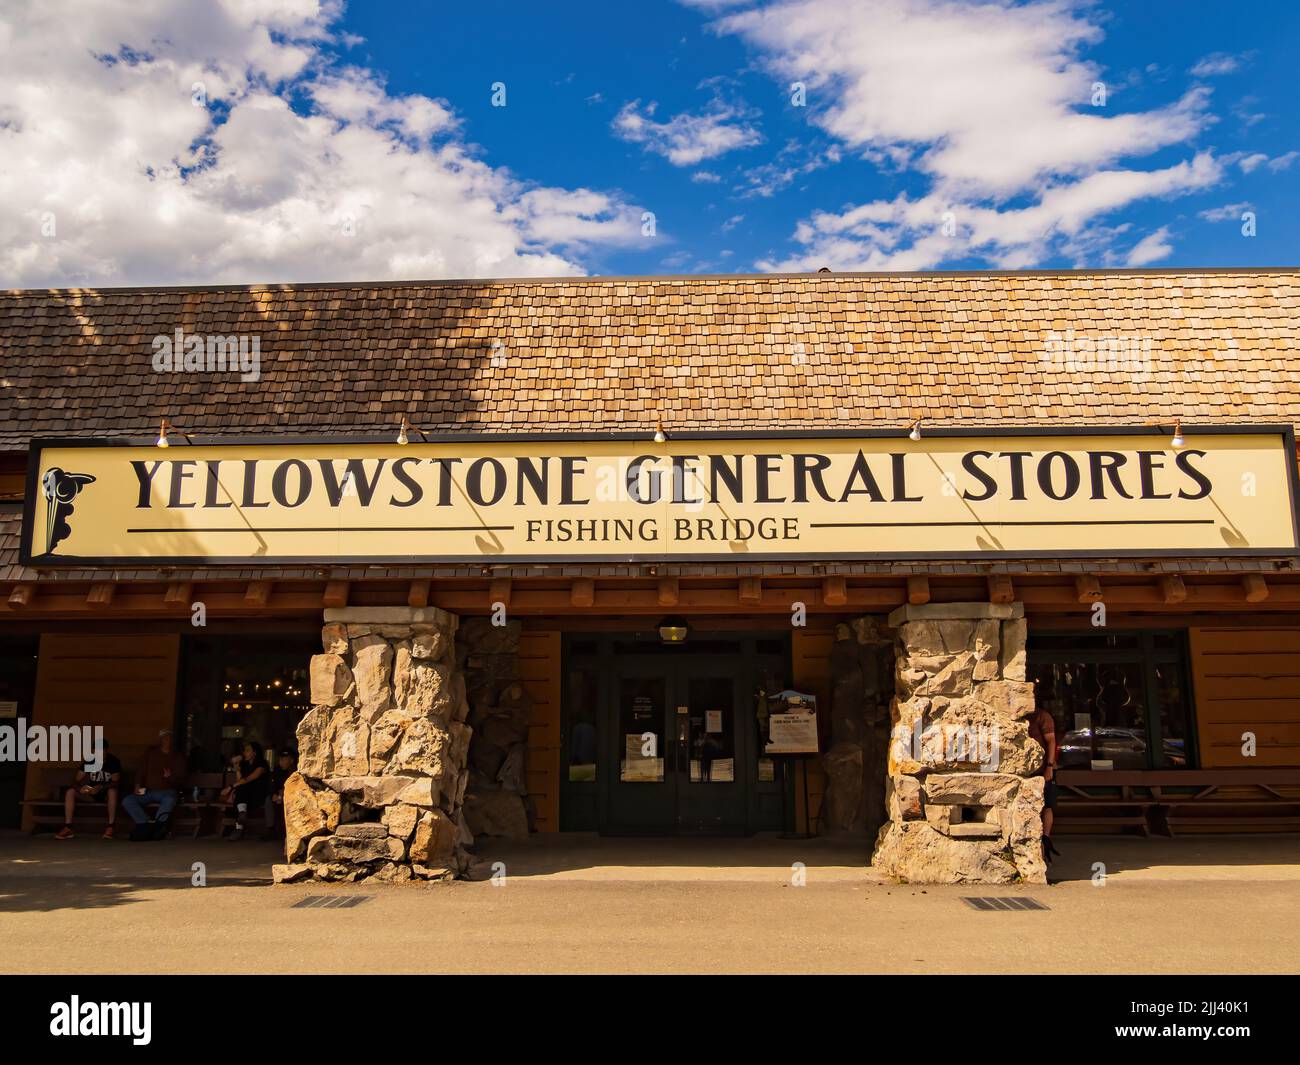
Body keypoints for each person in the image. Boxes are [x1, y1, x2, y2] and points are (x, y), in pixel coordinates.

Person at [122, 729, 187, 840]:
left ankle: (158, 826)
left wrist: (170, 777)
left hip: (167, 791)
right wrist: (137, 784)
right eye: (165, 738)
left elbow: (181, 780)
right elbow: (141, 770)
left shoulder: (178, 757)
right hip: (148, 791)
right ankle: (145, 823)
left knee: (170, 799)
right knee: (128, 800)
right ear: (160, 740)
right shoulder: (151, 753)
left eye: (170, 738)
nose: (168, 741)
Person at [54, 738, 122, 840]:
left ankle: (111, 827)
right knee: (70, 792)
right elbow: (75, 781)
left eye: (103, 750)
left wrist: (101, 787)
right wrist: (81, 788)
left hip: (105, 794)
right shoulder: (90, 762)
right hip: (91, 793)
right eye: (97, 750)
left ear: (106, 750)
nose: (100, 753)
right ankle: (68, 828)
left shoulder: (113, 761)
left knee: (112, 791)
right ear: (93, 751)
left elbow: (116, 783)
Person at [220, 740, 270, 840]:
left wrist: (230, 787)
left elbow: (249, 779)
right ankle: (241, 816)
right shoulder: (246, 765)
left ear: (254, 753)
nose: (244, 753)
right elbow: (240, 781)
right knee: (240, 794)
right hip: (246, 797)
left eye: (247, 750)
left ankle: (239, 828)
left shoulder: (262, 764)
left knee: (240, 793)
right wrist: (238, 770)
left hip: (259, 796)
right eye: (244, 751)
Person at [1028, 703, 1059, 862]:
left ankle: (1046, 837)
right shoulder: (1022, 716)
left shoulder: (1042, 716)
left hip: (1044, 768)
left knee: (1047, 803)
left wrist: (1049, 766)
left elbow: (1051, 741)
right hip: (1028, 769)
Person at [262, 748, 296, 841]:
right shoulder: (277, 770)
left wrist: (283, 793)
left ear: (291, 760)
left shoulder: (295, 771)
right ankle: (271, 829)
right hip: (278, 797)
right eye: (280, 759)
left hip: (291, 797)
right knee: (268, 800)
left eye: (284, 759)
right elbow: (272, 784)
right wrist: (274, 794)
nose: (281, 761)